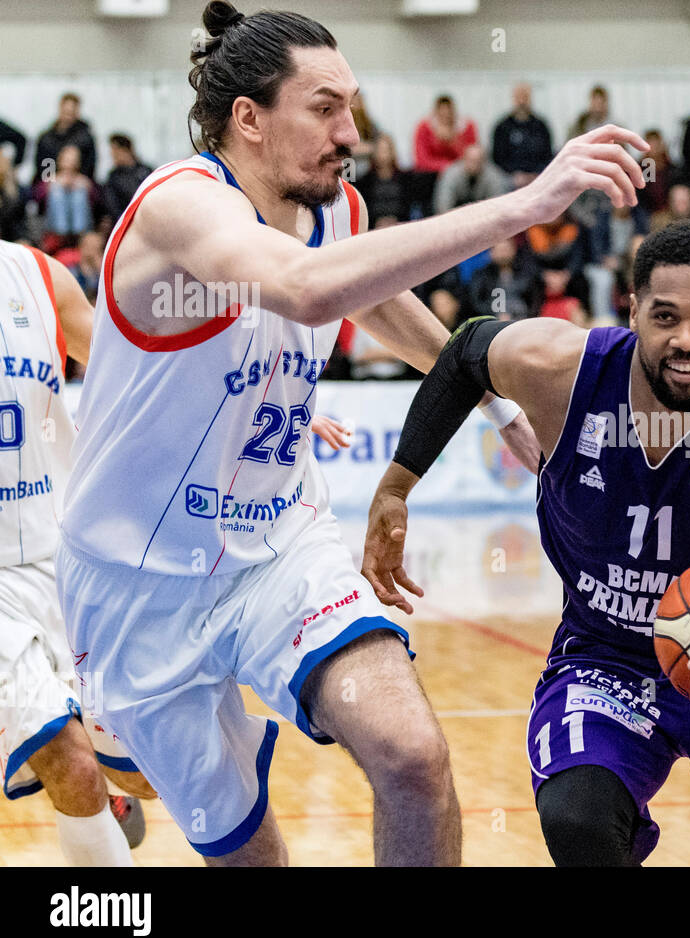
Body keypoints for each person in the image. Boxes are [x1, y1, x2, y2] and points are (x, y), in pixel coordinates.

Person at [54, 0, 647, 867]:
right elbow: (303, 289)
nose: (351, 130)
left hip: (277, 549)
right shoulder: (178, 206)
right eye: (326, 107)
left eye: (353, 106)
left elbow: (379, 305)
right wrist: (525, 203)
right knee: (256, 859)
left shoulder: (335, 210)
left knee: (412, 755)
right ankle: (115, 734)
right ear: (249, 119)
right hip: (132, 585)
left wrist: (492, 398)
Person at [363, 220, 690, 866]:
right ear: (631, 310)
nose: (685, 341)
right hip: (607, 660)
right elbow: (468, 350)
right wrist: (396, 486)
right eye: (664, 317)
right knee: (577, 816)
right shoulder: (561, 371)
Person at [0, 238, 154, 864]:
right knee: (71, 762)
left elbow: (137, 375)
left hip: (65, 561)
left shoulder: (39, 276)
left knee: (142, 771)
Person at [491, 83, 553, 189]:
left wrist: (534, 175)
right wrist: (515, 174)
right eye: (519, 97)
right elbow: (497, 158)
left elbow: (548, 155)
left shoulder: (541, 126)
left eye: (525, 97)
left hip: (537, 175)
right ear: (513, 99)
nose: (522, 101)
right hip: (509, 176)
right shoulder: (503, 127)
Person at [33, 94, 96, 183]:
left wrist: (72, 179)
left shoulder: (85, 139)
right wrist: (56, 179)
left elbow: (89, 168)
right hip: (52, 182)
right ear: (60, 109)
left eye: (71, 112)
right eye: (66, 111)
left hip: (77, 183)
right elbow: (44, 167)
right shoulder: (47, 139)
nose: (68, 115)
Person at [434, 144, 507, 215]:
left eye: (478, 161)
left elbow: (497, 207)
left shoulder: (494, 176)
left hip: (483, 216)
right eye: (471, 160)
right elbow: (442, 205)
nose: (474, 165)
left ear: (484, 162)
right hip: (455, 215)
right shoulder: (451, 174)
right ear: (463, 159)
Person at [100, 134, 154, 230]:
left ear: (126, 150)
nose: (112, 154)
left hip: (149, 216)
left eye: (115, 150)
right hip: (126, 223)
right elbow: (113, 206)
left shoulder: (146, 171)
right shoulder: (113, 177)